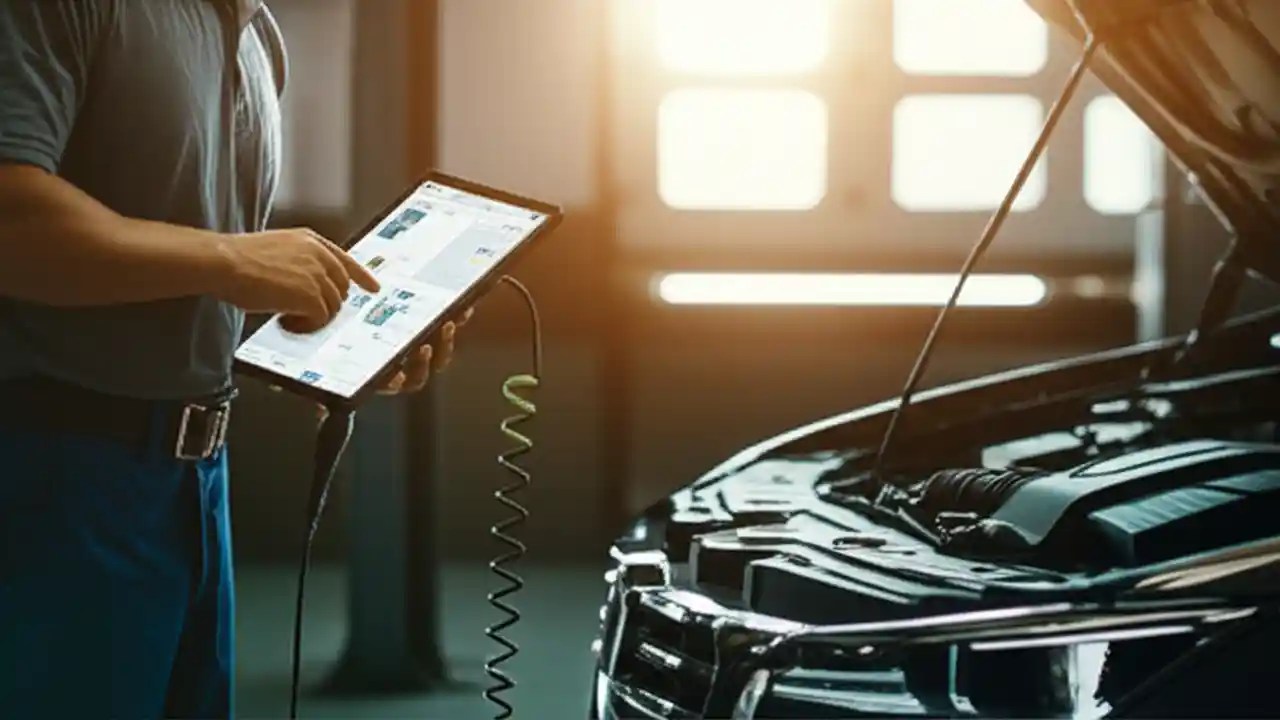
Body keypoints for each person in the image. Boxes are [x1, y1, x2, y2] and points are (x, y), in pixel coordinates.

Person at [0, 1, 463, 716]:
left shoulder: (257, 36)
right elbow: (13, 221)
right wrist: (230, 259)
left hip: (197, 480)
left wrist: (337, 342)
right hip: (55, 469)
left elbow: (194, 274)